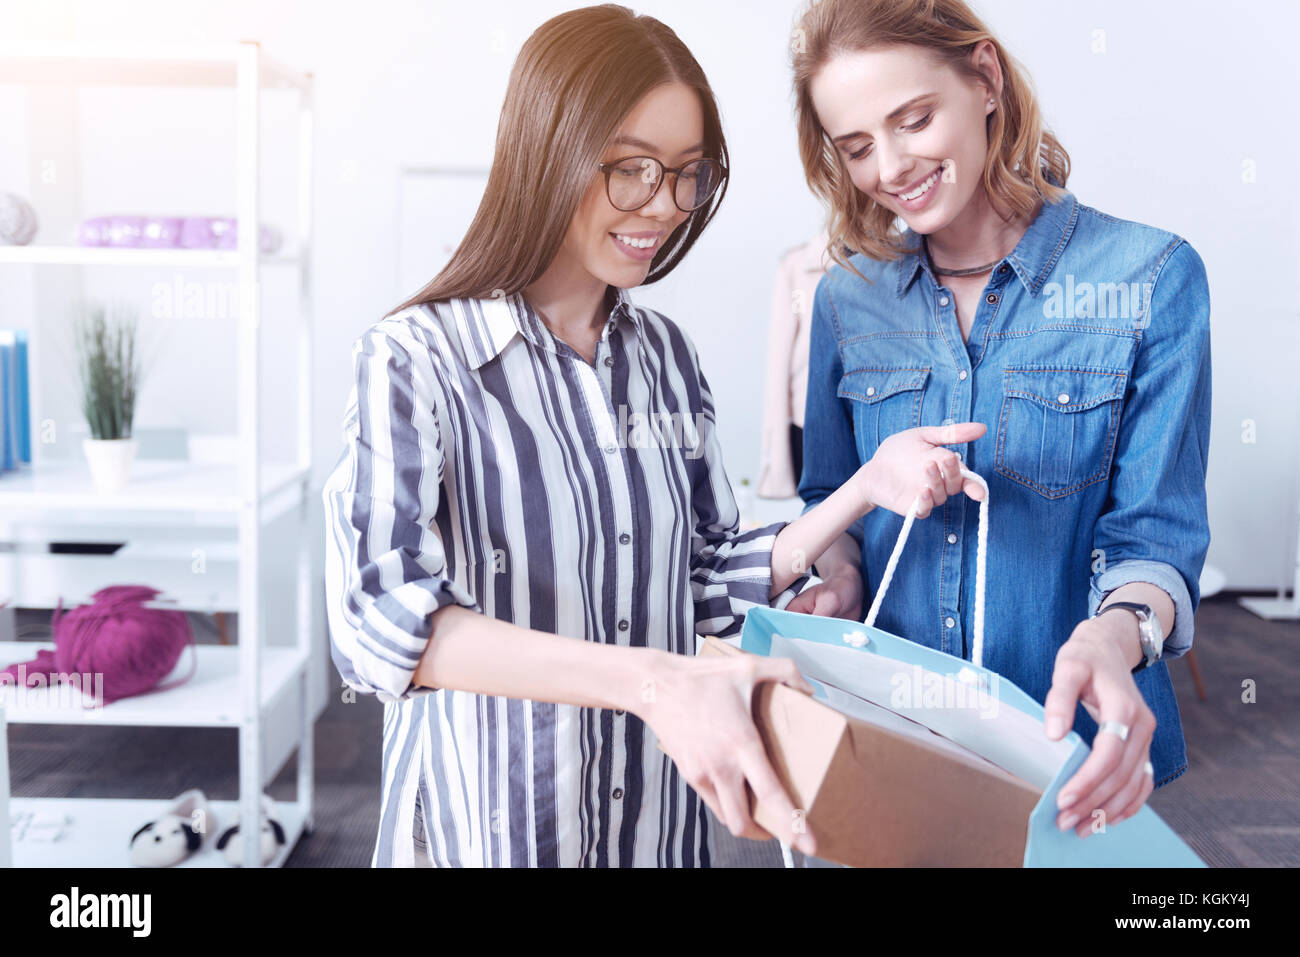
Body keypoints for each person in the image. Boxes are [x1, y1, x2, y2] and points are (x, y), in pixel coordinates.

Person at [321, 4, 984, 867]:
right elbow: (376, 620)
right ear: (546, 150)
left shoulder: (666, 359)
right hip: (491, 834)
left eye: (686, 173)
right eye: (631, 169)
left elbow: (702, 579)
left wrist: (862, 490)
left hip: (657, 835)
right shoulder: (417, 359)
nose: (664, 206)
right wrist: (655, 681)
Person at [787, 0, 1211, 838]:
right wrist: (836, 574)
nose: (894, 167)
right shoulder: (848, 297)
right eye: (858, 146)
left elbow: (1154, 541)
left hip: (1071, 758)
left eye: (913, 119)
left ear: (983, 78)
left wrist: (1113, 638)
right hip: (893, 740)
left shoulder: (1150, 278)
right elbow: (832, 494)